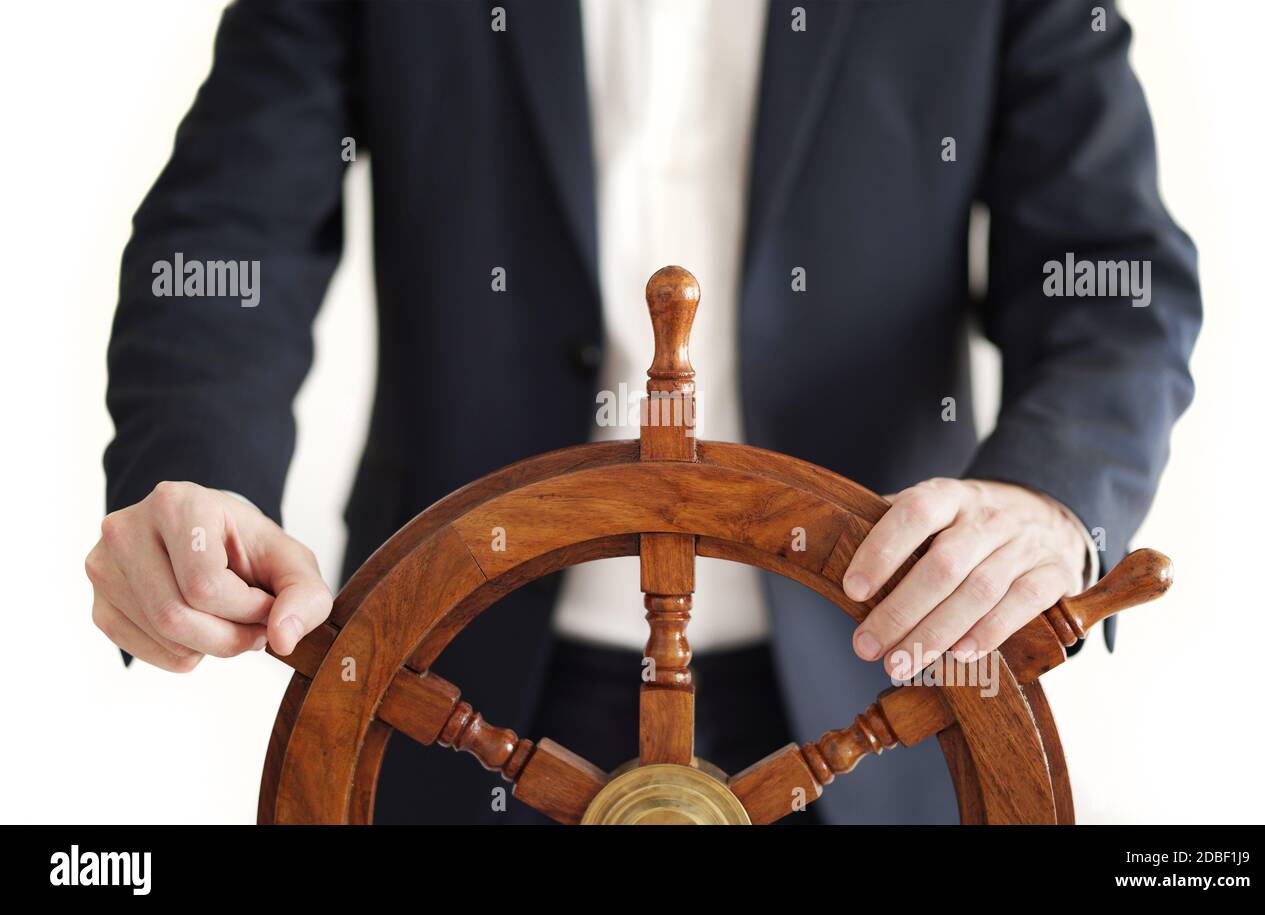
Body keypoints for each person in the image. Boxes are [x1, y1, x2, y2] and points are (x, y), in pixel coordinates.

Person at [85, 0, 1201, 824]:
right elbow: (231, 234)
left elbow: (1107, 272)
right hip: (446, 675)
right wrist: (192, 473)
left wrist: (1047, 496)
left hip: (884, 688)